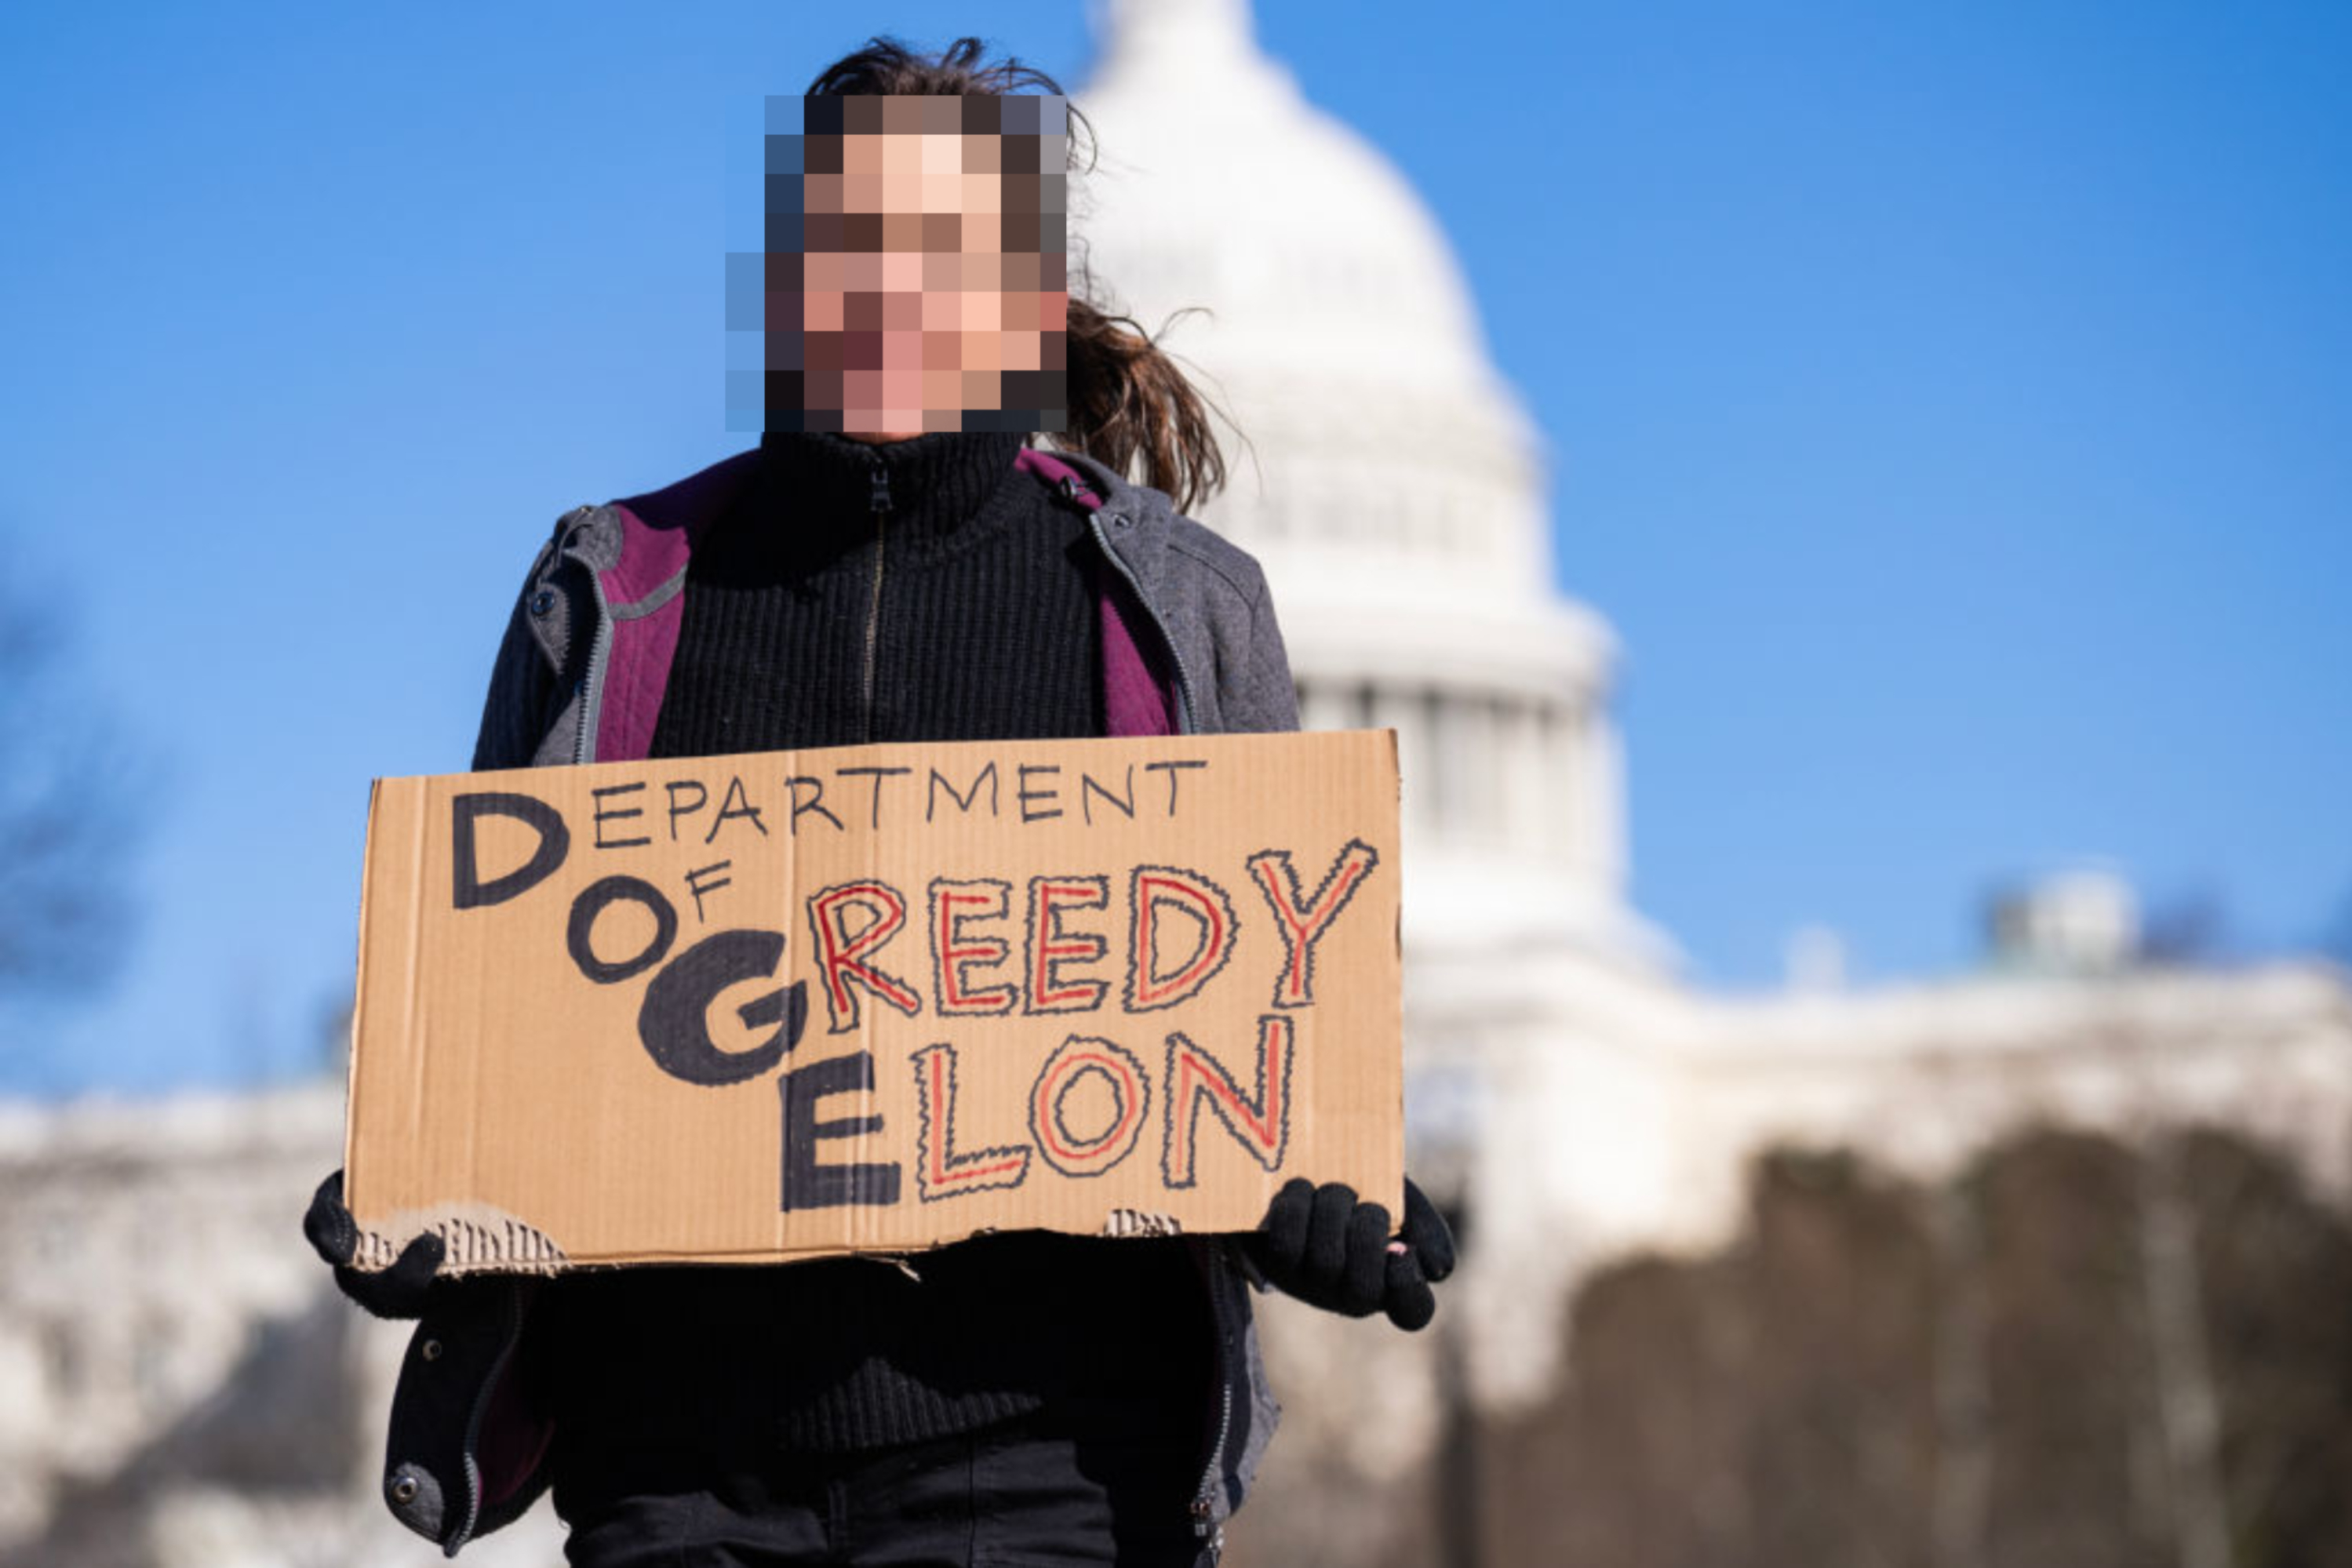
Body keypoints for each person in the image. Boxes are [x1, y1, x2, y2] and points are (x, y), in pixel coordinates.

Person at [304, 35, 1455, 1567]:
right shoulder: (612, 593)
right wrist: (418, 1198)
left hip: (1051, 1471)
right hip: (672, 1475)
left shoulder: (1174, 607)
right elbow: (507, 1024)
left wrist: (1316, 1201)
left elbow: (1247, 1024)